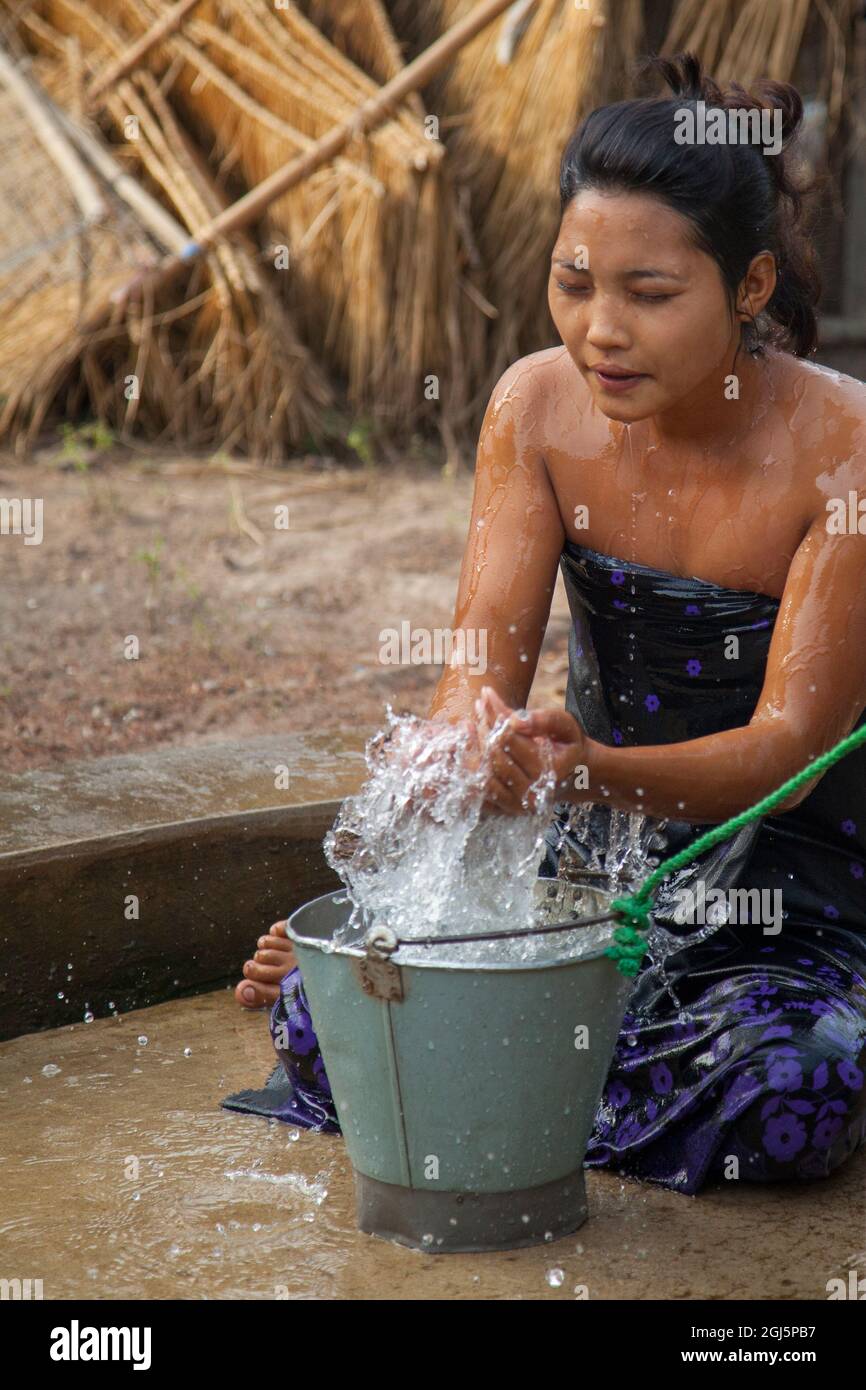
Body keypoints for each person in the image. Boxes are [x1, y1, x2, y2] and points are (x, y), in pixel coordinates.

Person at [226, 52, 866, 1192]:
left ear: (751, 286)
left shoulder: (842, 451)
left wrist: (591, 771)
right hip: (596, 863)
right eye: (572, 283)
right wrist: (456, 777)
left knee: (790, 1092)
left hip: (797, 890)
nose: (599, 332)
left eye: (648, 294)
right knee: (331, 1025)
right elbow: (474, 674)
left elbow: (791, 753)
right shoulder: (534, 405)